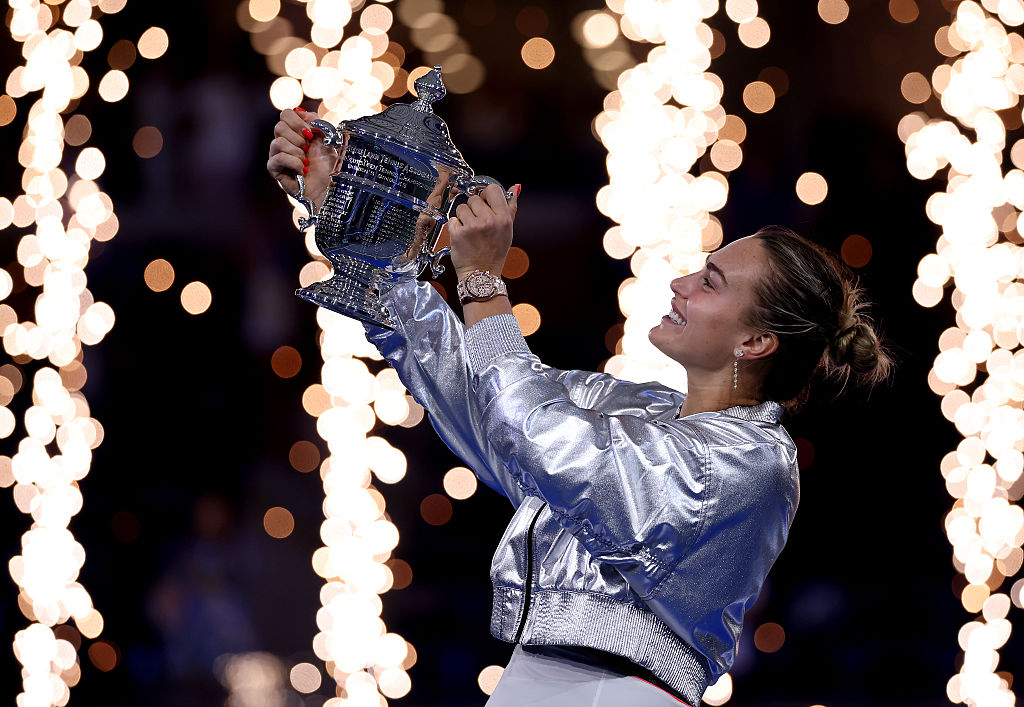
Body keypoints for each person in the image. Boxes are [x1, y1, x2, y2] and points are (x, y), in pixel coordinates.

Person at [268, 109, 893, 706]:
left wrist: (484, 282)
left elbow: (540, 433)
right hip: (531, 682)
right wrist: (342, 210)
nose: (681, 284)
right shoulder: (624, 405)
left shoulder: (753, 462)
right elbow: (481, 397)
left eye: (711, 284)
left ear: (755, 342)